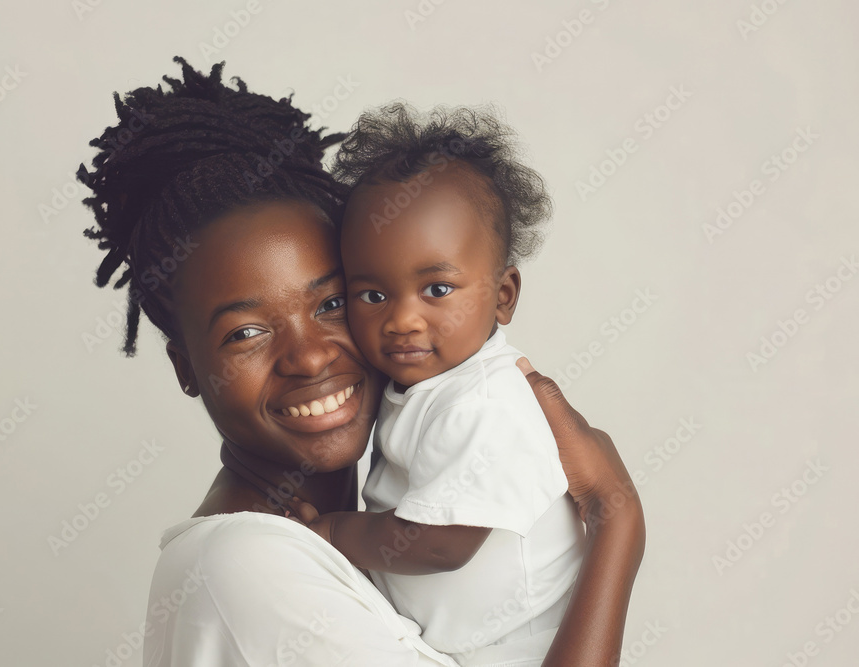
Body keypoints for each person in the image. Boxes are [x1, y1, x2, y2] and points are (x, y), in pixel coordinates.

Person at [76, 58, 645, 666]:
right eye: (245, 331)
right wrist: (617, 522)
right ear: (186, 367)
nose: (310, 354)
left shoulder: (358, 532)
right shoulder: (243, 569)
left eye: (330, 302)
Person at [286, 104, 585, 665]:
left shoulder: (486, 401)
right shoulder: (421, 386)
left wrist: (330, 534)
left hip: (514, 651)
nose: (402, 320)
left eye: (437, 290)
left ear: (504, 295)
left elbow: (442, 544)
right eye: (372, 295)